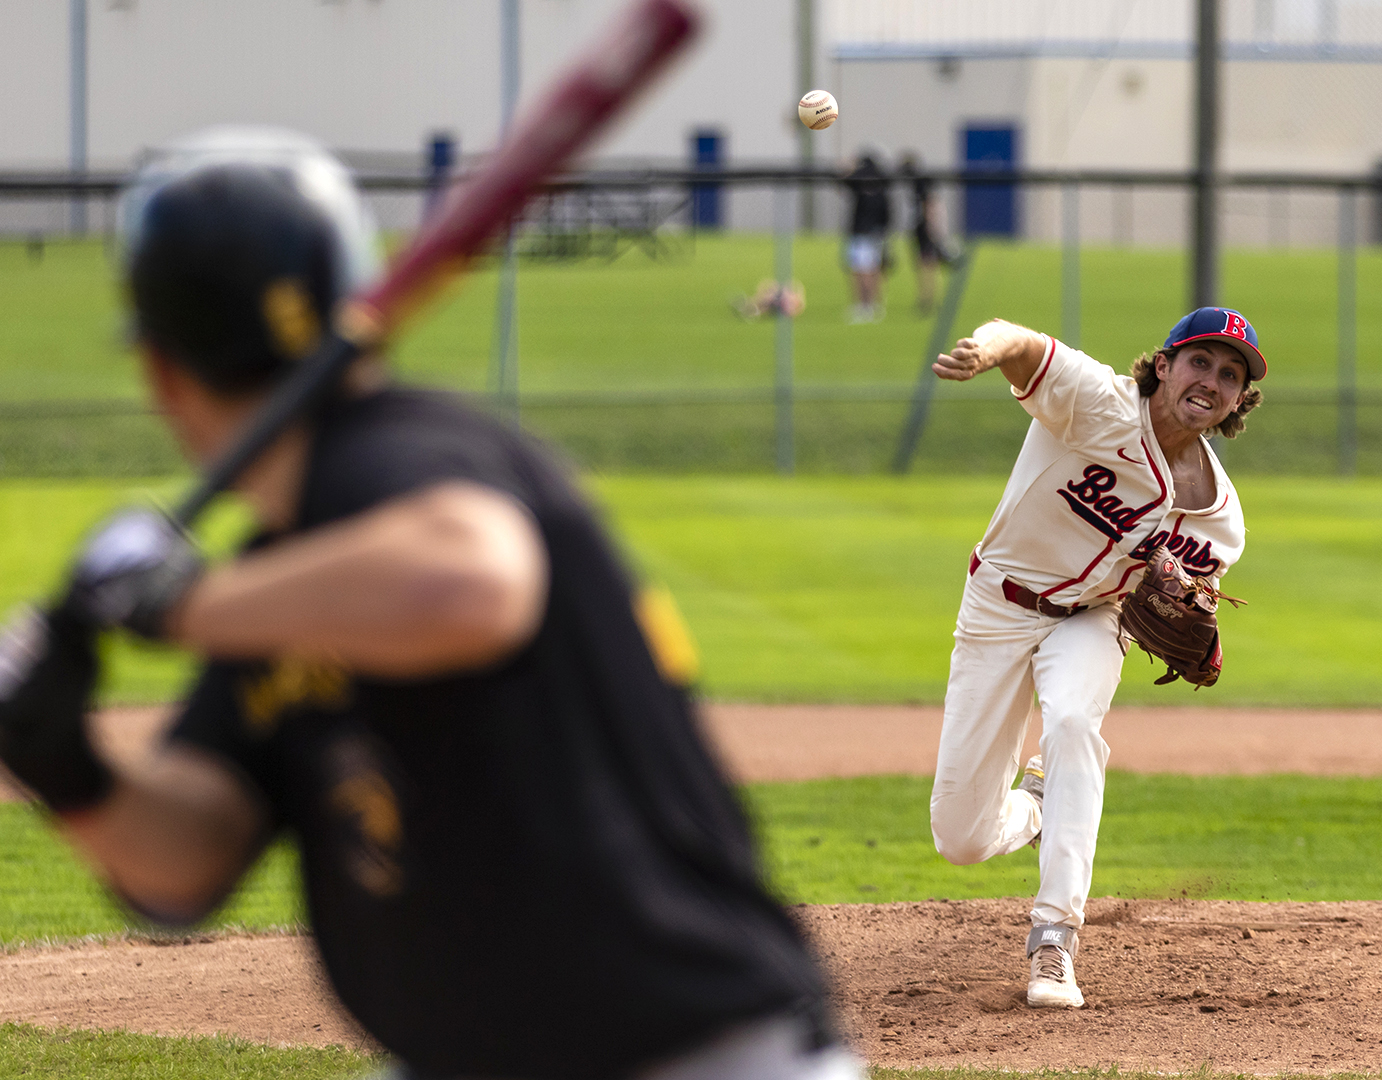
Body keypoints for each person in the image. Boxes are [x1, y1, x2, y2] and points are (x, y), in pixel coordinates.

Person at [0, 127, 858, 1080]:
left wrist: (178, 604)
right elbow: (188, 858)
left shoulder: (405, 457)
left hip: (687, 1055)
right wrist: (62, 764)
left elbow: (475, 583)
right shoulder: (284, 572)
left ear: (161, 372)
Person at [925, 308, 1265, 1009]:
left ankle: (1054, 941)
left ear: (1238, 401)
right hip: (998, 605)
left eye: (1231, 375)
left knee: (1076, 723)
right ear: (1164, 364)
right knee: (961, 837)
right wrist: (982, 353)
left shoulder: (1219, 520)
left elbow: (1187, 602)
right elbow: (1017, 340)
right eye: (1200, 361)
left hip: (1093, 619)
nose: (1213, 380)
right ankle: (1041, 805)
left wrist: (1185, 608)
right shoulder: (1099, 402)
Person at [897, 153, 954, 317]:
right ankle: (926, 298)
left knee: (928, 265)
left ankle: (929, 300)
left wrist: (933, 230)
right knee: (923, 265)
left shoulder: (920, 183)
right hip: (920, 229)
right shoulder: (915, 183)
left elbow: (930, 205)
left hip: (926, 230)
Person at [840, 153, 891, 324]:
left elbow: (843, 180)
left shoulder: (859, 181)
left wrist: (849, 167)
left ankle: (864, 305)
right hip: (876, 232)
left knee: (861, 270)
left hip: (860, 232)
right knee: (872, 269)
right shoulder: (882, 183)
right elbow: (887, 213)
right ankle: (873, 305)